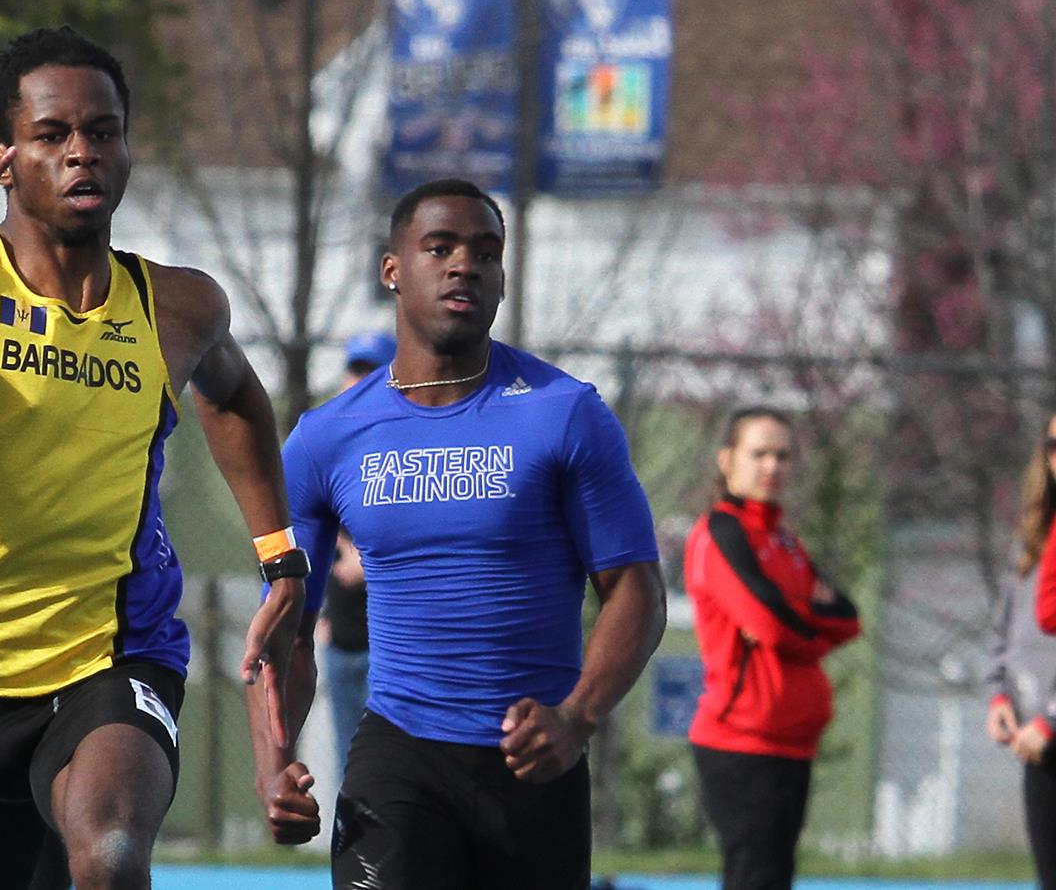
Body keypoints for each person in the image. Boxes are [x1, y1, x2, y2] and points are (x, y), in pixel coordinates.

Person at [0, 26, 308, 890]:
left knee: (111, 850)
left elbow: (235, 397)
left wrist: (278, 554)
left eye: (104, 132)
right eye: (53, 135)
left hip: (116, 657)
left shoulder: (178, 306)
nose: (83, 153)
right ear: (2, 156)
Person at [244, 178, 668, 888]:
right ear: (392, 270)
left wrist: (577, 719)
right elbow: (286, 628)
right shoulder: (325, 439)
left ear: (501, 277)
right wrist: (272, 764)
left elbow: (637, 591)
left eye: (485, 251)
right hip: (399, 758)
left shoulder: (566, 413)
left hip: (534, 762)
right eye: (438, 247)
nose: (463, 264)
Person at [685, 407, 862, 890]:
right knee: (754, 876)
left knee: (776, 876)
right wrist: (807, 622)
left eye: (782, 455)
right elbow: (769, 623)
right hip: (742, 739)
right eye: (759, 453)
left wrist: (797, 617)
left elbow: (848, 618)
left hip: (793, 738)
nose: (773, 466)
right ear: (727, 460)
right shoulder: (720, 533)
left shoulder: (783, 539)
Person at [317, 332, 395, 776]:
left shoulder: (402, 443)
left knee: (387, 759)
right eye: (355, 370)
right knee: (350, 759)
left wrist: (367, 562)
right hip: (341, 634)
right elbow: (307, 523)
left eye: (372, 372)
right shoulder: (329, 442)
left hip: (388, 641)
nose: (360, 381)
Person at [987, 412, 1056, 888]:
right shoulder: (1036, 537)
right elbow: (1004, 630)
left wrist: (1052, 718)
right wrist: (998, 695)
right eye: (1053, 444)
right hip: (1040, 745)